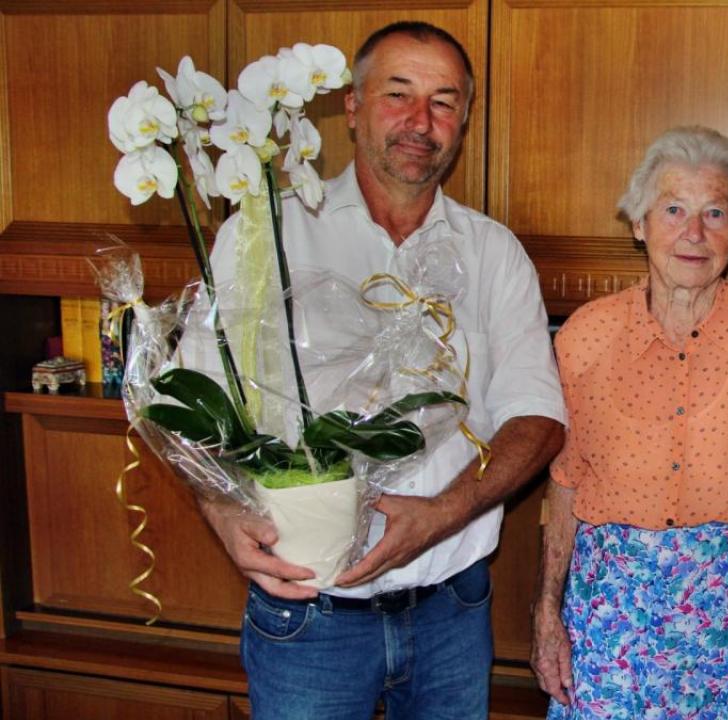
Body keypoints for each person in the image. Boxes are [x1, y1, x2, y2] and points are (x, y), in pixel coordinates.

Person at [195, 21, 566, 720]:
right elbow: (202, 403)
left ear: (463, 123)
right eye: (399, 94)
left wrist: (440, 516)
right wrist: (220, 509)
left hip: (452, 609)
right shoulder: (262, 233)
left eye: (444, 101)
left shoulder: (493, 255)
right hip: (307, 615)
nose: (421, 122)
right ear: (353, 106)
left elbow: (539, 419)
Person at [530, 126, 728, 719]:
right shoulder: (585, 336)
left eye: (715, 212)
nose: (694, 233)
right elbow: (565, 482)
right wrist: (546, 612)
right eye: (673, 210)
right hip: (609, 621)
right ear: (638, 223)